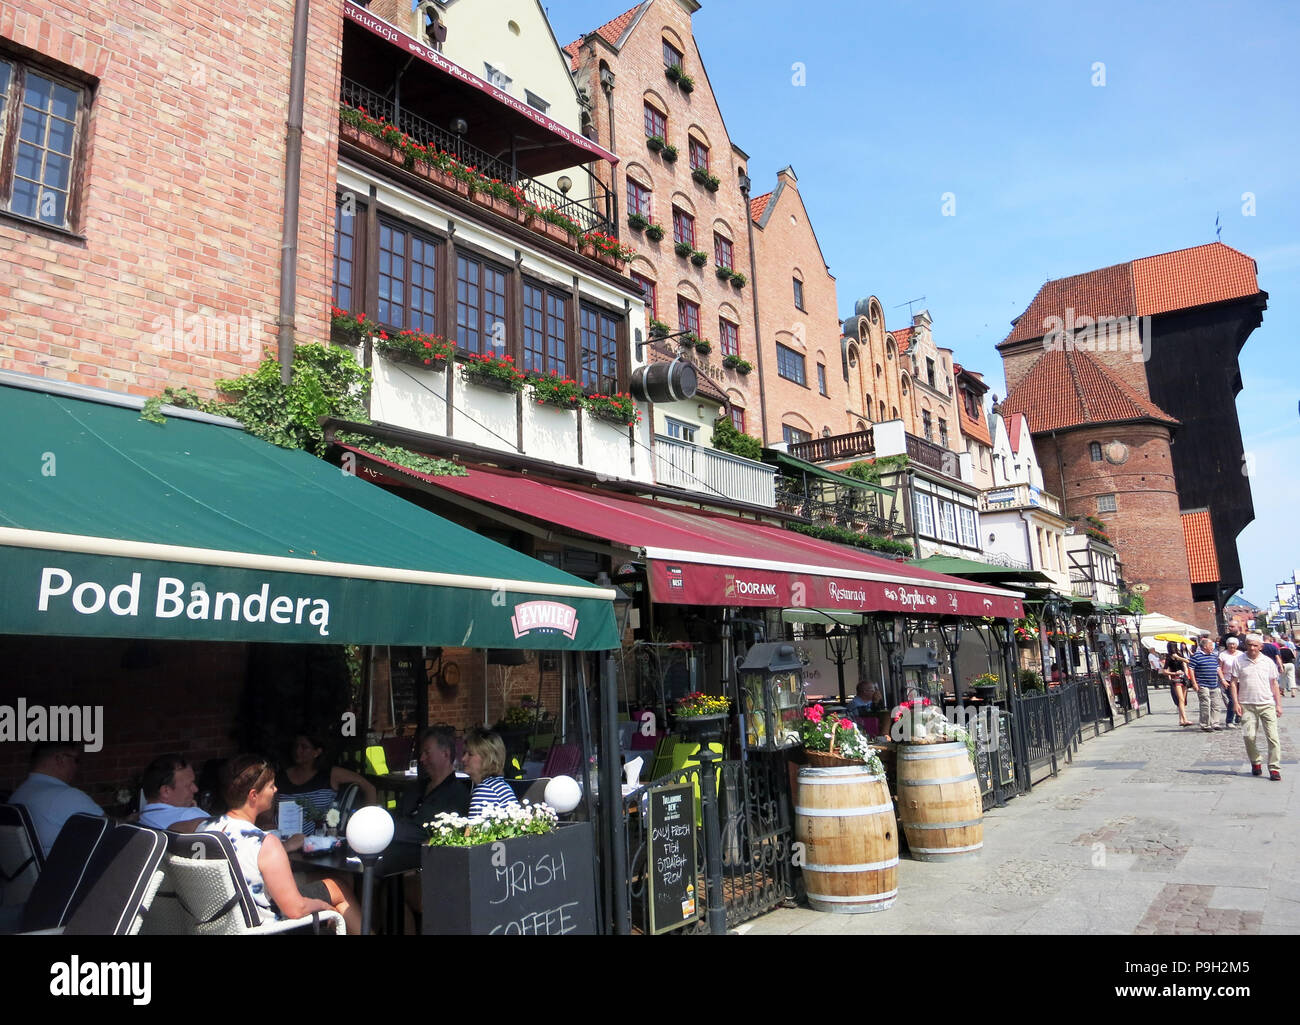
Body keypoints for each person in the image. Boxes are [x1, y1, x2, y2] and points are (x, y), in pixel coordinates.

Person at [201, 754, 361, 933]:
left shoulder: (204, 829)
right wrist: (328, 909)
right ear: (253, 795)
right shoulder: (264, 844)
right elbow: (295, 909)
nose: (276, 790)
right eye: (271, 786)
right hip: (267, 927)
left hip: (224, 924)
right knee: (336, 890)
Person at [9, 742, 104, 856]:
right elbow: (115, 831)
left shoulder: (19, 794)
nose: (76, 767)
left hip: (27, 872)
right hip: (64, 872)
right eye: (76, 760)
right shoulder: (67, 796)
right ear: (60, 759)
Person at [276, 732, 377, 835]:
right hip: (284, 841)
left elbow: (369, 787)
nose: (298, 751)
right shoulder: (281, 778)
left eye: (304, 747)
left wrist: (369, 822)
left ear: (317, 752)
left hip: (319, 842)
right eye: (296, 746)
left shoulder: (330, 775)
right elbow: (267, 817)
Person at [391, 725, 470, 844]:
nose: (422, 759)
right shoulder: (415, 789)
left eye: (427, 753)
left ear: (445, 754)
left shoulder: (458, 795)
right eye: (422, 753)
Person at [1231, 633, 1284, 780]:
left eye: (1255, 645)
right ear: (1246, 645)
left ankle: (1274, 768)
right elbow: (1234, 683)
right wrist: (1235, 702)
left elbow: (1274, 684)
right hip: (1246, 704)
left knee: (1273, 737)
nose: (1252, 648)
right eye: (1250, 645)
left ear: (1261, 646)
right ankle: (1255, 762)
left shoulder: (1268, 662)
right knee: (1249, 736)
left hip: (1267, 704)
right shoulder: (1238, 661)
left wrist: (1278, 704)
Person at [139, 754, 209, 831]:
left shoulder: (139, 820)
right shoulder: (191, 816)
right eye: (189, 785)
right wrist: (195, 811)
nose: (196, 789)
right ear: (166, 792)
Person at [461, 728, 520, 816]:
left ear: (488, 759)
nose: (463, 759)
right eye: (463, 753)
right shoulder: (498, 785)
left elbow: (474, 829)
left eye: (470, 754)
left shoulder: (484, 791)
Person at [1188, 635, 1226, 732]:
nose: (1212, 647)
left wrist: (1223, 679)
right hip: (1202, 684)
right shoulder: (1196, 656)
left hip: (1214, 683)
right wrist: (1194, 683)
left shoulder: (1213, 655)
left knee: (1216, 705)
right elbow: (1191, 669)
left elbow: (1218, 668)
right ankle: (1205, 724)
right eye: (1211, 645)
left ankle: (1215, 723)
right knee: (1205, 704)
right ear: (1205, 646)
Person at [1163, 642, 1192, 726]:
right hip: (1176, 679)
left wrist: (1178, 657)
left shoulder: (1180, 655)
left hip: (1184, 678)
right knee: (1181, 699)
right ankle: (1185, 719)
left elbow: (1187, 661)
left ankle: (1181, 720)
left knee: (1183, 700)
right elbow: (1164, 671)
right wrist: (1174, 673)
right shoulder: (1168, 657)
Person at [1220, 636, 1243, 728]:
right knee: (1232, 700)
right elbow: (1219, 668)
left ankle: (1239, 716)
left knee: (1240, 699)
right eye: (1230, 644)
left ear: (1236, 645)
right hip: (1228, 680)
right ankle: (1229, 720)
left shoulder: (1241, 654)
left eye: (1233, 644)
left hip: (1240, 679)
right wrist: (1222, 680)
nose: (1232, 646)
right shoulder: (1223, 655)